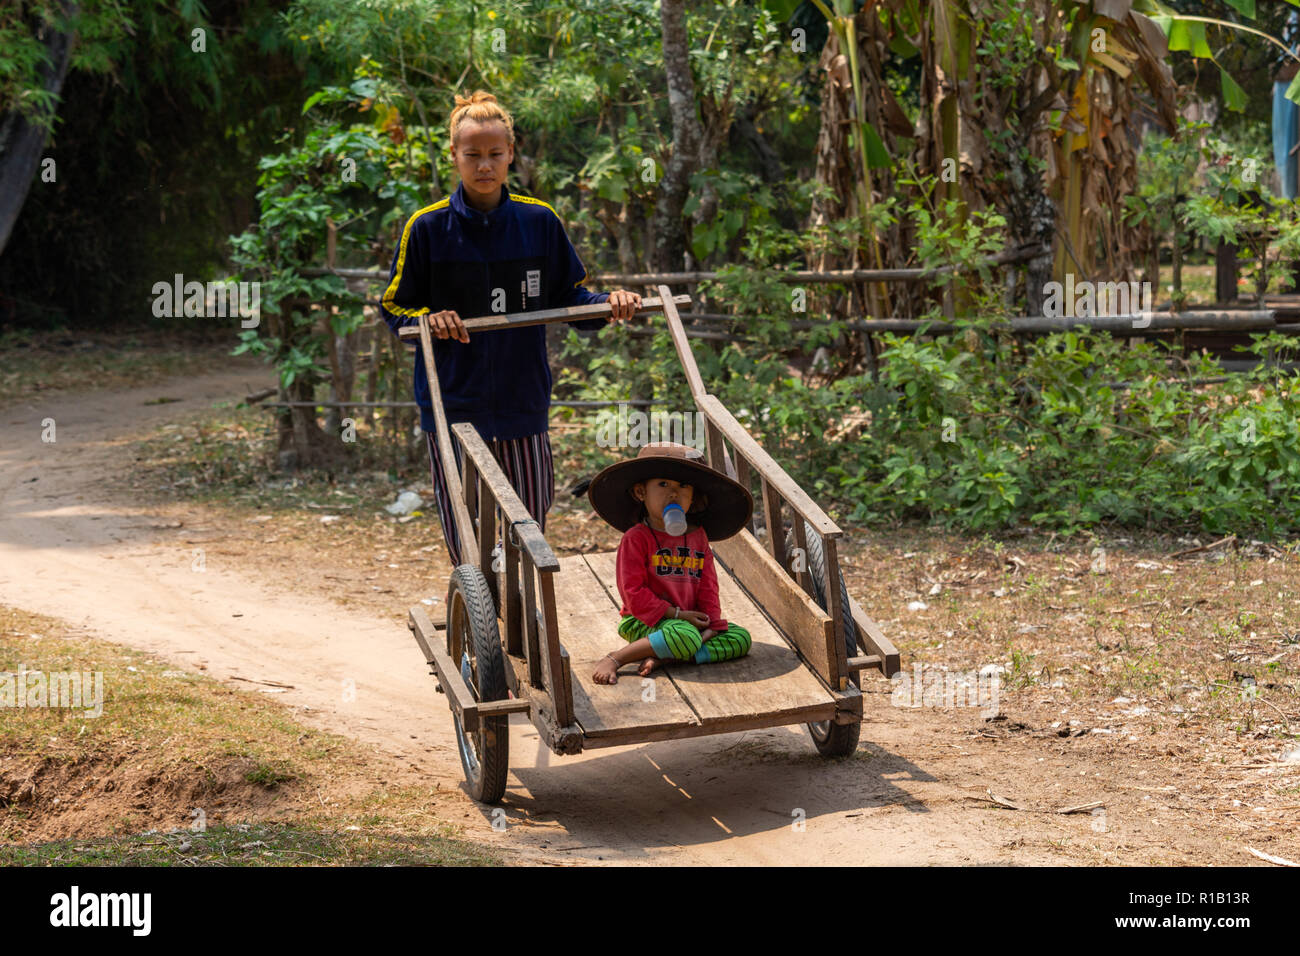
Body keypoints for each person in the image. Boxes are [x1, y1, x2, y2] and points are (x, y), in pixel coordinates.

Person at [379, 90, 642, 564]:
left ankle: (520, 611)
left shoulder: (538, 222)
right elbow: (395, 304)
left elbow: (570, 299)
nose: (485, 165)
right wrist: (428, 318)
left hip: (523, 397)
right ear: (453, 157)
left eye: (495, 154)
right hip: (453, 401)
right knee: (465, 521)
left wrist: (610, 303)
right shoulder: (428, 228)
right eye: (473, 155)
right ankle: (478, 607)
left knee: (529, 517)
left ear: (511, 155)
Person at [585, 442, 756, 685]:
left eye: (683, 486)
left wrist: (712, 625)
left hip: (688, 623)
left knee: (740, 638)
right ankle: (617, 658)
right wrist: (677, 615)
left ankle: (666, 657)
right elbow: (633, 594)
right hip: (645, 620)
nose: (674, 493)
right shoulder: (637, 537)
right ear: (640, 492)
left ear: (693, 497)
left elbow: (708, 585)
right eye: (663, 484)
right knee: (683, 635)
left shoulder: (698, 537)